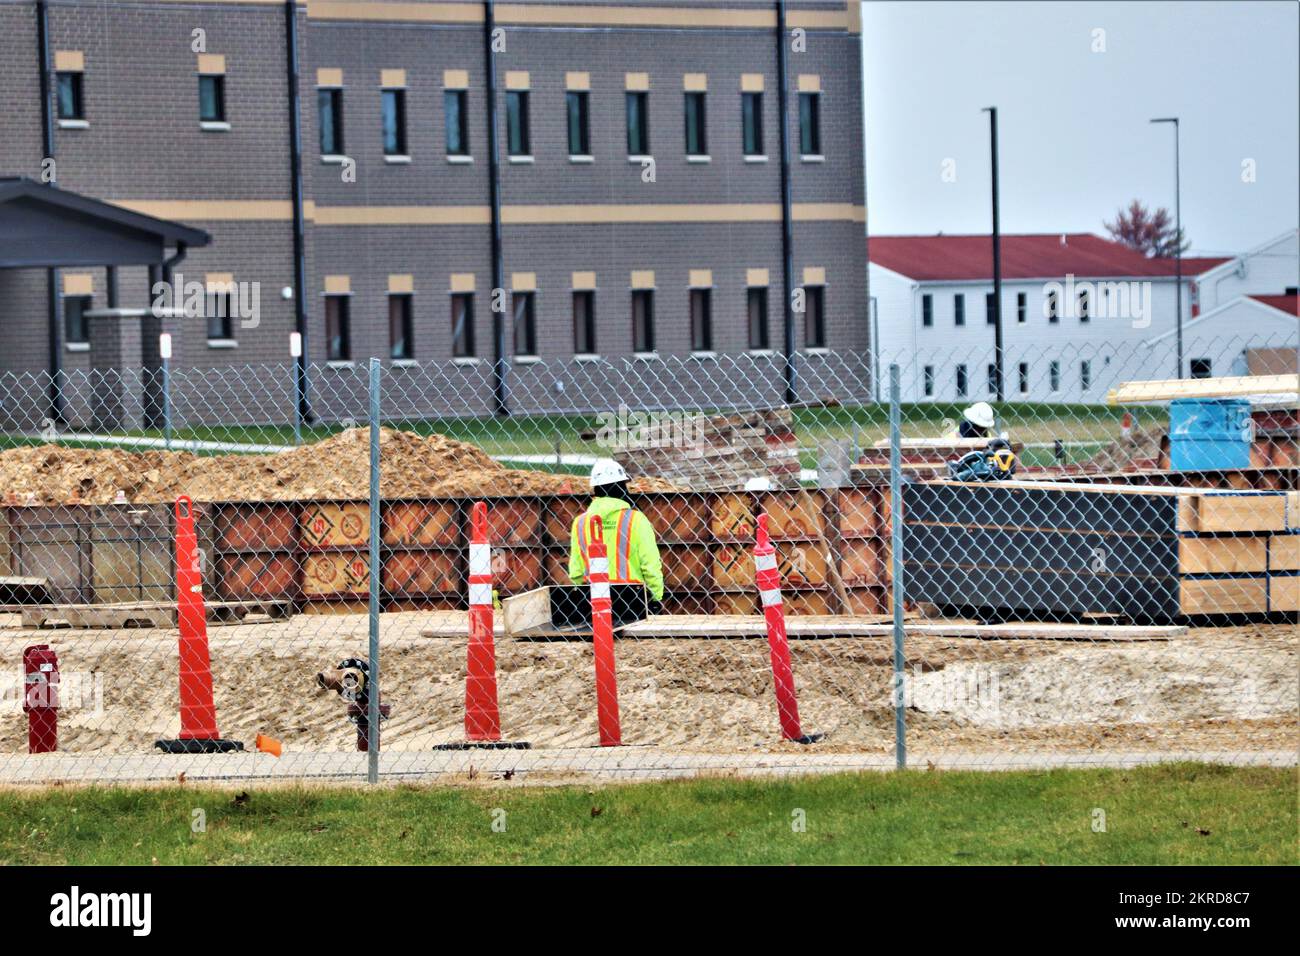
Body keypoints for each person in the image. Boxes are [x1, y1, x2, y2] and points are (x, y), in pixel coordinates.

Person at [568, 458, 665, 614]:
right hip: (632, 600)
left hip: (591, 599)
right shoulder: (636, 519)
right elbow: (650, 564)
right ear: (622, 485)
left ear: (595, 488)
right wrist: (655, 598)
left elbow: (576, 571)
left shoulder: (580, 522)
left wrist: (579, 591)